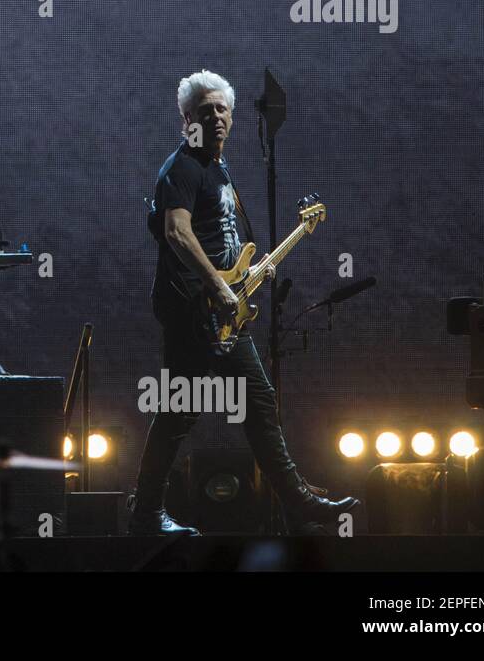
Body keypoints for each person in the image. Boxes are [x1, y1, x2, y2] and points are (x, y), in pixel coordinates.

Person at [130, 69, 360, 535]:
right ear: (186, 120)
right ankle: (147, 514)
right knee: (178, 413)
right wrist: (218, 285)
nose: (215, 117)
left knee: (257, 403)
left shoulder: (220, 171)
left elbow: (222, 239)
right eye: (204, 111)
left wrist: (251, 271)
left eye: (221, 109)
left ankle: (297, 503)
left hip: (224, 313)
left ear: (232, 118)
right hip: (195, 311)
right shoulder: (181, 168)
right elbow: (177, 232)